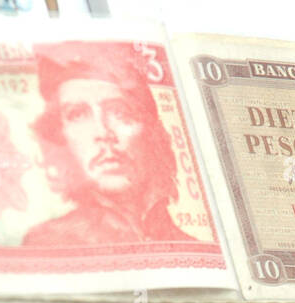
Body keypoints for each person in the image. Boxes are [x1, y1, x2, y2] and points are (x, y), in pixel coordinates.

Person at [24, 44, 194, 246]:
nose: (103, 133)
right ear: (60, 138)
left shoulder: (187, 244)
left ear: (151, 134)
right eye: (78, 115)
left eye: (120, 112)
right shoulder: (48, 243)